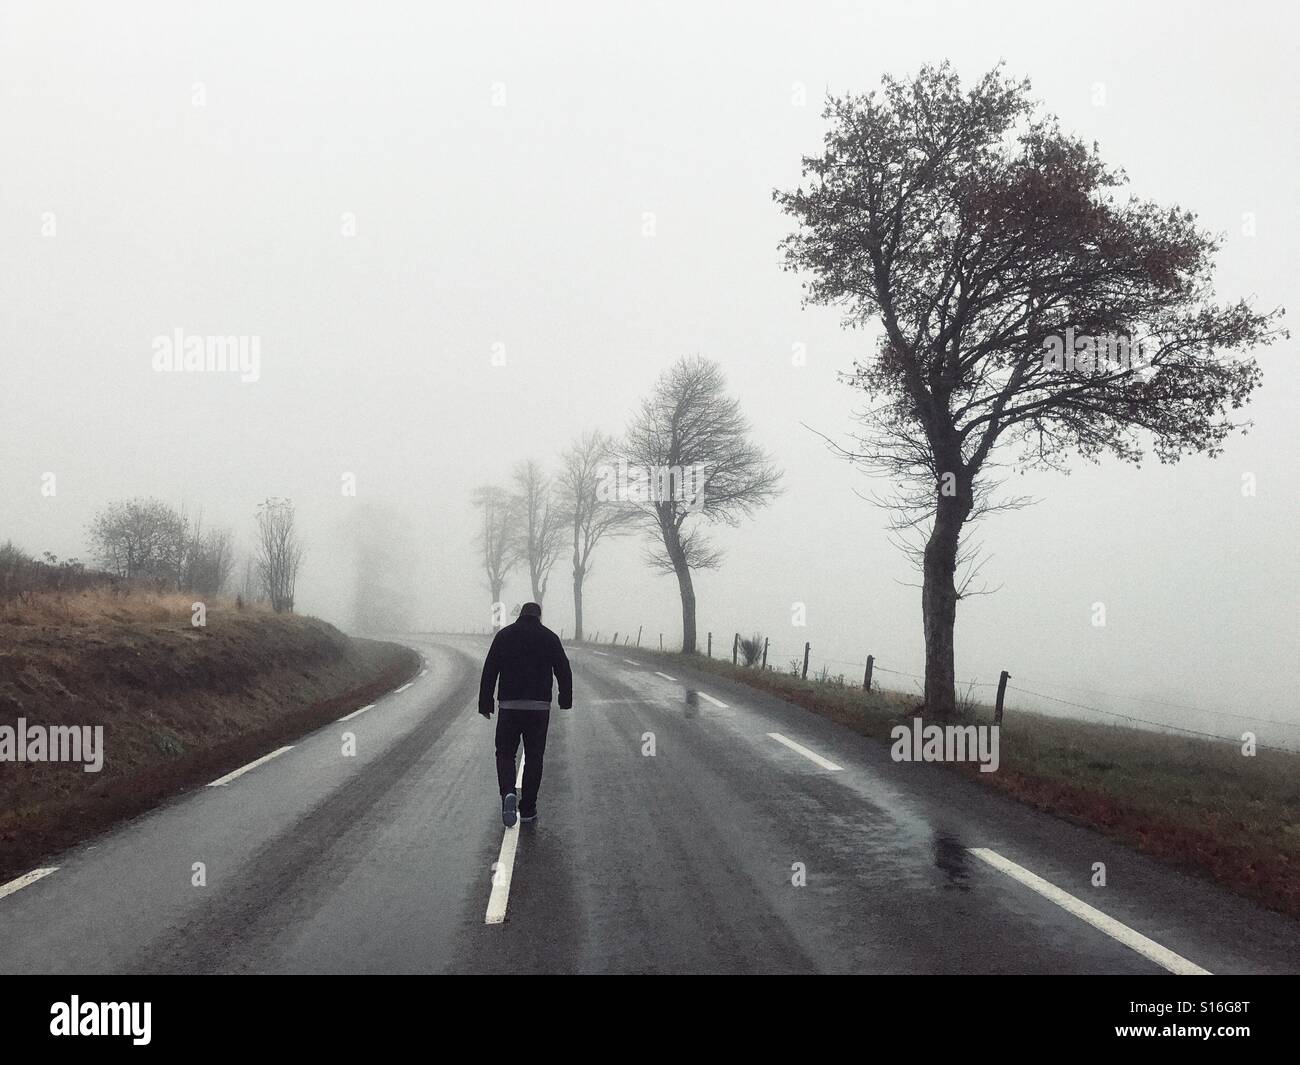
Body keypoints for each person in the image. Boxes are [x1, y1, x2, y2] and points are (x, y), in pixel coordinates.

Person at [478, 602, 572, 827]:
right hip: (539, 707)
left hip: (509, 706)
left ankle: (508, 793)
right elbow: (563, 668)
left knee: (505, 753)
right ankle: (528, 809)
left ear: (520, 615)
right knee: (534, 757)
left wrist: (485, 702)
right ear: (539, 616)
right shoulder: (549, 638)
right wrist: (565, 699)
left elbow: (490, 668)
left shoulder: (504, 636)